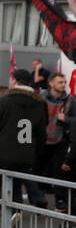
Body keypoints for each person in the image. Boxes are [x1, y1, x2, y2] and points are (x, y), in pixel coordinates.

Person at [0, 67, 47, 208]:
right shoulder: (39, 103)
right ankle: (14, 221)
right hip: (25, 154)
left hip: (3, 153)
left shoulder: (5, 101)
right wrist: (36, 154)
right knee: (15, 187)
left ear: (14, 81)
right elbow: (41, 133)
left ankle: (9, 210)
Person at [40, 72, 75, 211]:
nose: (63, 85)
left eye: (64, 82)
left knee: (60, 173)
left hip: (60, 141)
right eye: (60, 82)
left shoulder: (70, 100)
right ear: (51, 83)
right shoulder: (40, 98)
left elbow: (75, 120)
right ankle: (38, 199)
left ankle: (60, 201)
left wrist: (66, 119)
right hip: (42, 140)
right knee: (38, 170)